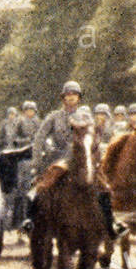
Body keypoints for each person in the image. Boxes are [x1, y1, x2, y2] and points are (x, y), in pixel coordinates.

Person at [25, 81, 120, 237]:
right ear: (63, 98)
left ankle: (111, 225)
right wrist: (36, 162)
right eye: (68, 95)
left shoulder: (86, 117)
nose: (71, 98)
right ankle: (30, 220)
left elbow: (94, 138)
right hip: (59, 158)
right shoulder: (54, 117)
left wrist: (96, 155)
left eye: (74, 95)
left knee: (104, 187)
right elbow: (39, 138)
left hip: (83, 159)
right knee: (41, 186)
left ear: (79, 98)